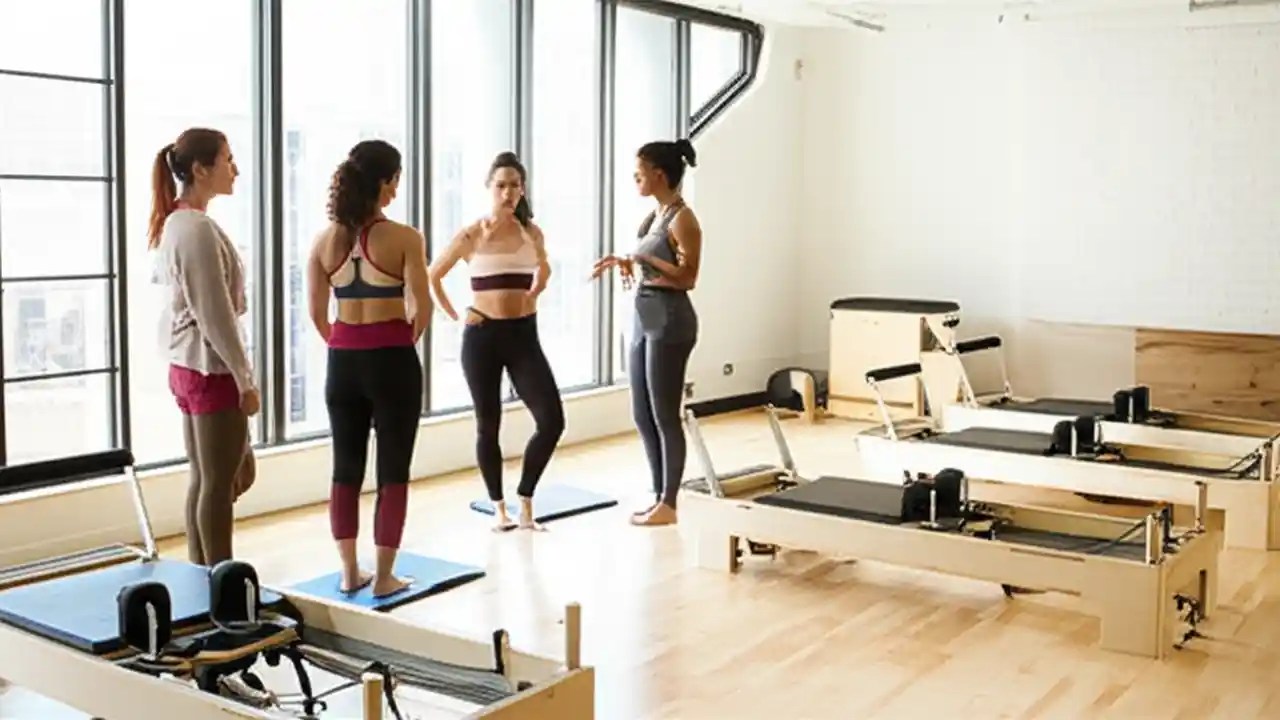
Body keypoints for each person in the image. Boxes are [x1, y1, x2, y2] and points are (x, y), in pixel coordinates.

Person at [306, 139, 432, 598]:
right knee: (393, 468)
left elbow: (318, 315)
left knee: (345, 469)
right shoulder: (403, 238)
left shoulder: (323, 241)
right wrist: (397, 342)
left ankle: (347, 571)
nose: (397, 189)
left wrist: (348, 344)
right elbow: (423, 306)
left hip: (342, 363)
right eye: (395, 180)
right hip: (392, 360)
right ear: (384, 181)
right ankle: (382, 577)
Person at [428, 151, 564, 532]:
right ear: (490, 188)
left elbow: (546, 267)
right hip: (483, 335)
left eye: (514, 186)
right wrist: (457, 315)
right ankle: (498, 508)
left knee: (552, 420)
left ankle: (526, 500)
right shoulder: (472, 234)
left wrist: (536, 292)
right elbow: (432, 275)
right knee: (488, 424)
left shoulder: (531, 233)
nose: (508, 192)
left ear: (522, 191)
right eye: (501, 185)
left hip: (523, 335)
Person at [149, 127, 259, 566]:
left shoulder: (182, 223)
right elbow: (215, 313)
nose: (234, 169)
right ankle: (221, 584)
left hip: (192, 366)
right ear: (200, 169)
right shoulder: (193, 228)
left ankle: (202, 578)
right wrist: (244, 380)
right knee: (219, 482)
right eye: (228, 159)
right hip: (208, 368)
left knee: (208, 478)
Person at [591, 139, 701, 527]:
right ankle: (659, 496)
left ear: (658, 174)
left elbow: (689, 278)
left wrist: (644, 259)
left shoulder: (682, 219)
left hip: (670, 320)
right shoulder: (654, 215)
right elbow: (653, 266)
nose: (635, 177)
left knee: (665, 414)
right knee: (642, 413)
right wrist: (628, 261)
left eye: (640, 171)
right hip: (643, 316)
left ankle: (670, 502)